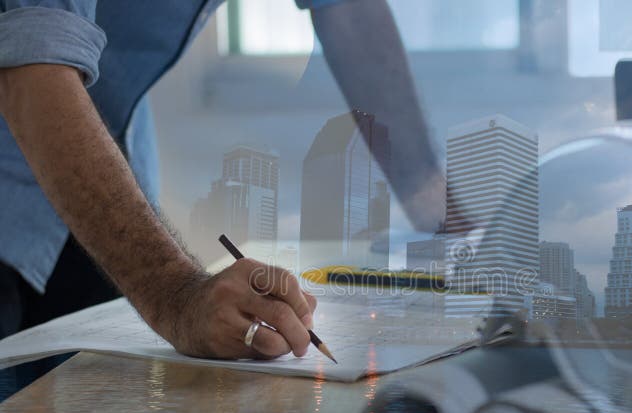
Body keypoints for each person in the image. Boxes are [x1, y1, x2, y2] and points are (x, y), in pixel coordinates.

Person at [0, 1, 446, 380]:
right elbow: (33, 67)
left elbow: (348, 12)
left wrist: (444, 216)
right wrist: (175, 295)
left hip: (101, 167)